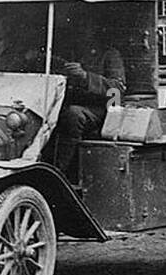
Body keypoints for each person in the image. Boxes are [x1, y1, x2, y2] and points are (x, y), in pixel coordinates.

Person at [49, 25, 125, 179]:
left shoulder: (110, 55)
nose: (80, 36)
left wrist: (85, 77)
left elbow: (117, 89)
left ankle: (58, 173)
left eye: (84, 32)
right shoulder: (71, 54)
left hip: (103, 110)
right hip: (71, 105)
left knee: (73, 115)